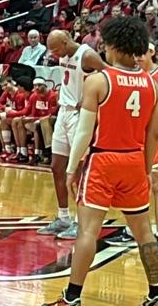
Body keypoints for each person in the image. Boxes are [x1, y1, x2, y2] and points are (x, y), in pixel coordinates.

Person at [41, 16, 158, 306]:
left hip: (103, 160)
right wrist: (146, 169)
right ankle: (156, 296)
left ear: (114, 46)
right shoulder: (152, 83)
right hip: (135, 160)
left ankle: (72, 298)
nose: (104, 49)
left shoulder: (99, 80)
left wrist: (72, 168)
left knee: (87, 231)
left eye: (106, 44)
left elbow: (84, 132)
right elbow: (153, 135)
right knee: (144, 233)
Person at [105, 42, 158, 253]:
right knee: (135, 186)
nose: (137, 58)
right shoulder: (130, 74)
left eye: (141, 54)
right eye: (134, 54)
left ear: (151, 52)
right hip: (131, 138)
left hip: (152, 137)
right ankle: (133, 230)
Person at [37, 30, 107, 240]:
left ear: (66, 41)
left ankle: (80, 221)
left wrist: (90, 97)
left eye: (56, 49)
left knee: (78, 170)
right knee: (57, 166)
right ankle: (63, 217)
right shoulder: (64, 55)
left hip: (80, 115)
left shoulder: (87, 55)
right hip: (63, 112)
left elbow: (109, 75)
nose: (54, 54)